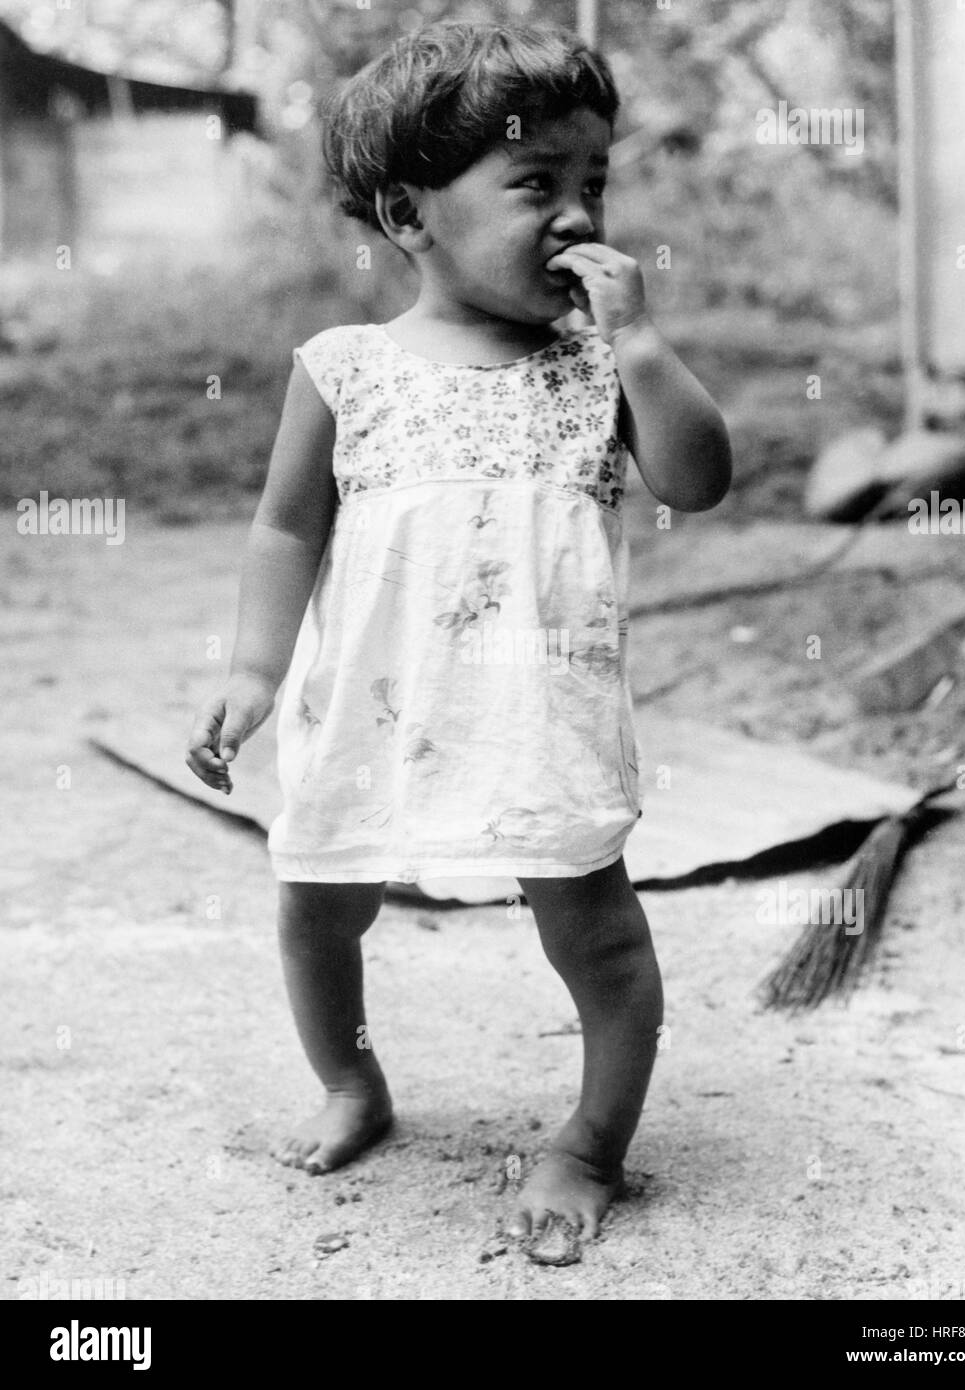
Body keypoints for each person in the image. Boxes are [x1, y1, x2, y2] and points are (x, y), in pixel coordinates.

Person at [186, 21, 731, 1246]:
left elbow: (698, 481)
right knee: (318, 902)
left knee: (593, 930)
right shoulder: (344, 369)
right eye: (535, 184)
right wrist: (253, 672)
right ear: (408, 212)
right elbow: (285, 532)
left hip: (541, 709)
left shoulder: (596, 368)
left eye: (595, 183)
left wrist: (640, 345)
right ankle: (352, 1080)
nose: (576, 214)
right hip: (375, 703)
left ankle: (590, 1142)